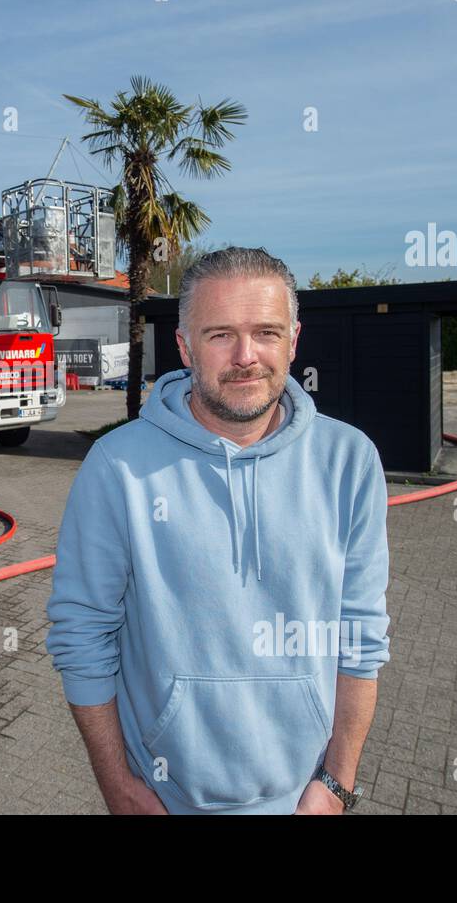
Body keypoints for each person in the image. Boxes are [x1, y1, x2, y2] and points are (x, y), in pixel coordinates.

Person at [46, 246, 390, 815]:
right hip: (163, 798)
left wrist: (337, 782)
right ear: (183, 347)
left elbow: (361, 635)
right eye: (220, 335)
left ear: (294, 340)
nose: (246, 356)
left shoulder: (349, 461)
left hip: (304, 799)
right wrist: (119, 787)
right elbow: (82, 636)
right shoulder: (117, 467)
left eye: (266, 333)